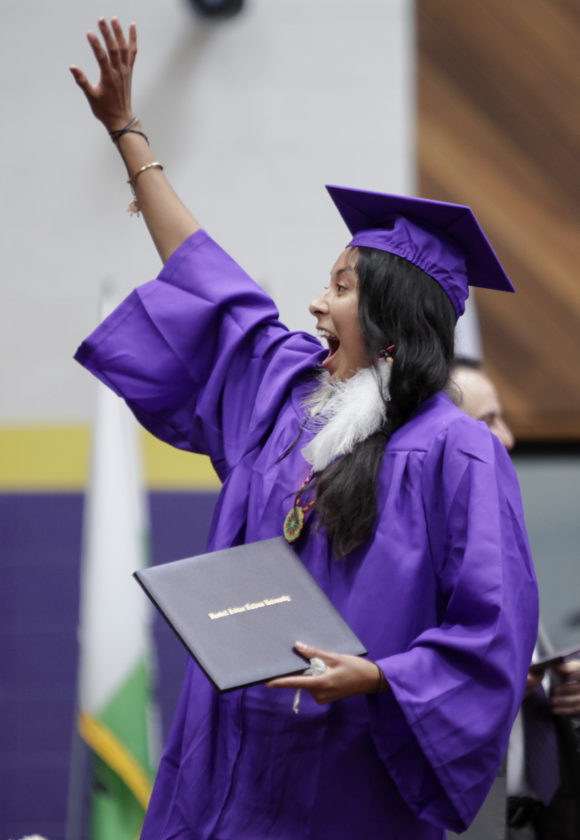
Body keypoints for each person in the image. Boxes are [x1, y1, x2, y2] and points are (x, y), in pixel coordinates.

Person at [70, 19, 539, 839]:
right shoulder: (286, 398)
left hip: (346, 783)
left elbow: (492, 628)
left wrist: (382, 677)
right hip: (225, 771)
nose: (317, 305)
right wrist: (127, 133)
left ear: (393, 321)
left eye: (343, 287)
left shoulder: (456, 453)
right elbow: (209, 282)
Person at [449, 359, 580, 840]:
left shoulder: (502, 532)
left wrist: (563, 684)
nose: (508, 438)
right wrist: (492, 685)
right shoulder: (417, 552)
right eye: (488, 421)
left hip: (538, 821)